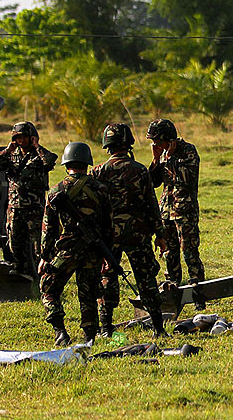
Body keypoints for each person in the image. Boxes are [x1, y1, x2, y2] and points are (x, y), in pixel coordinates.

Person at [91, 123, 168, 337]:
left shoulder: (97, 172)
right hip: (138, 235)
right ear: (129, 144)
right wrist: (159, 235)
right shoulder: (140, 170)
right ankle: (159, 329)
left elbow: (93, 208)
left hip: (109, 237)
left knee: (107, 279)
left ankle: (106, 330)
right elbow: (152, 206)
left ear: (107, 145)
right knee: (146, 280)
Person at [39, 142, 112, 346]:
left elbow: (49, 229)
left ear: (66, 163)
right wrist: (108, 254)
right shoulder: (101, 189)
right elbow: (108, 226)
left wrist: (45, 257)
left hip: (67, 249)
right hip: (93, 250)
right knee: (88, 293)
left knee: (48, 287)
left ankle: (59, 331)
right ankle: (90, 336)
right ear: (87, 163)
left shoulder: (56, 191)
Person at [146, 119, 205, 304]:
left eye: (158, 141)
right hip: (166, 211)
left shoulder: (188, 151)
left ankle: (199, 295)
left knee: (189, 252)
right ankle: (172, 294)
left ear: (168, 139)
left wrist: (170, 158)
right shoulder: (162, 154)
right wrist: (156, 160)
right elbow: (153, 182)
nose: (156, 145)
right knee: (170, 253)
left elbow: (186, 178)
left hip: (185, 211)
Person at [0, 121, 57, 275]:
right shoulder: (11, 155)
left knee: (39, 243)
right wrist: (7, 150)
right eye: (18, 137)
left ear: (31, 137)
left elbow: (50, 161)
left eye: (24, 137)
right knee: (15, 241)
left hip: (34, 207)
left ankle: (45, 271)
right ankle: (20, 270)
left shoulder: (39, 156)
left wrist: (37, 146)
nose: (21, 140)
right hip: (14, 207)